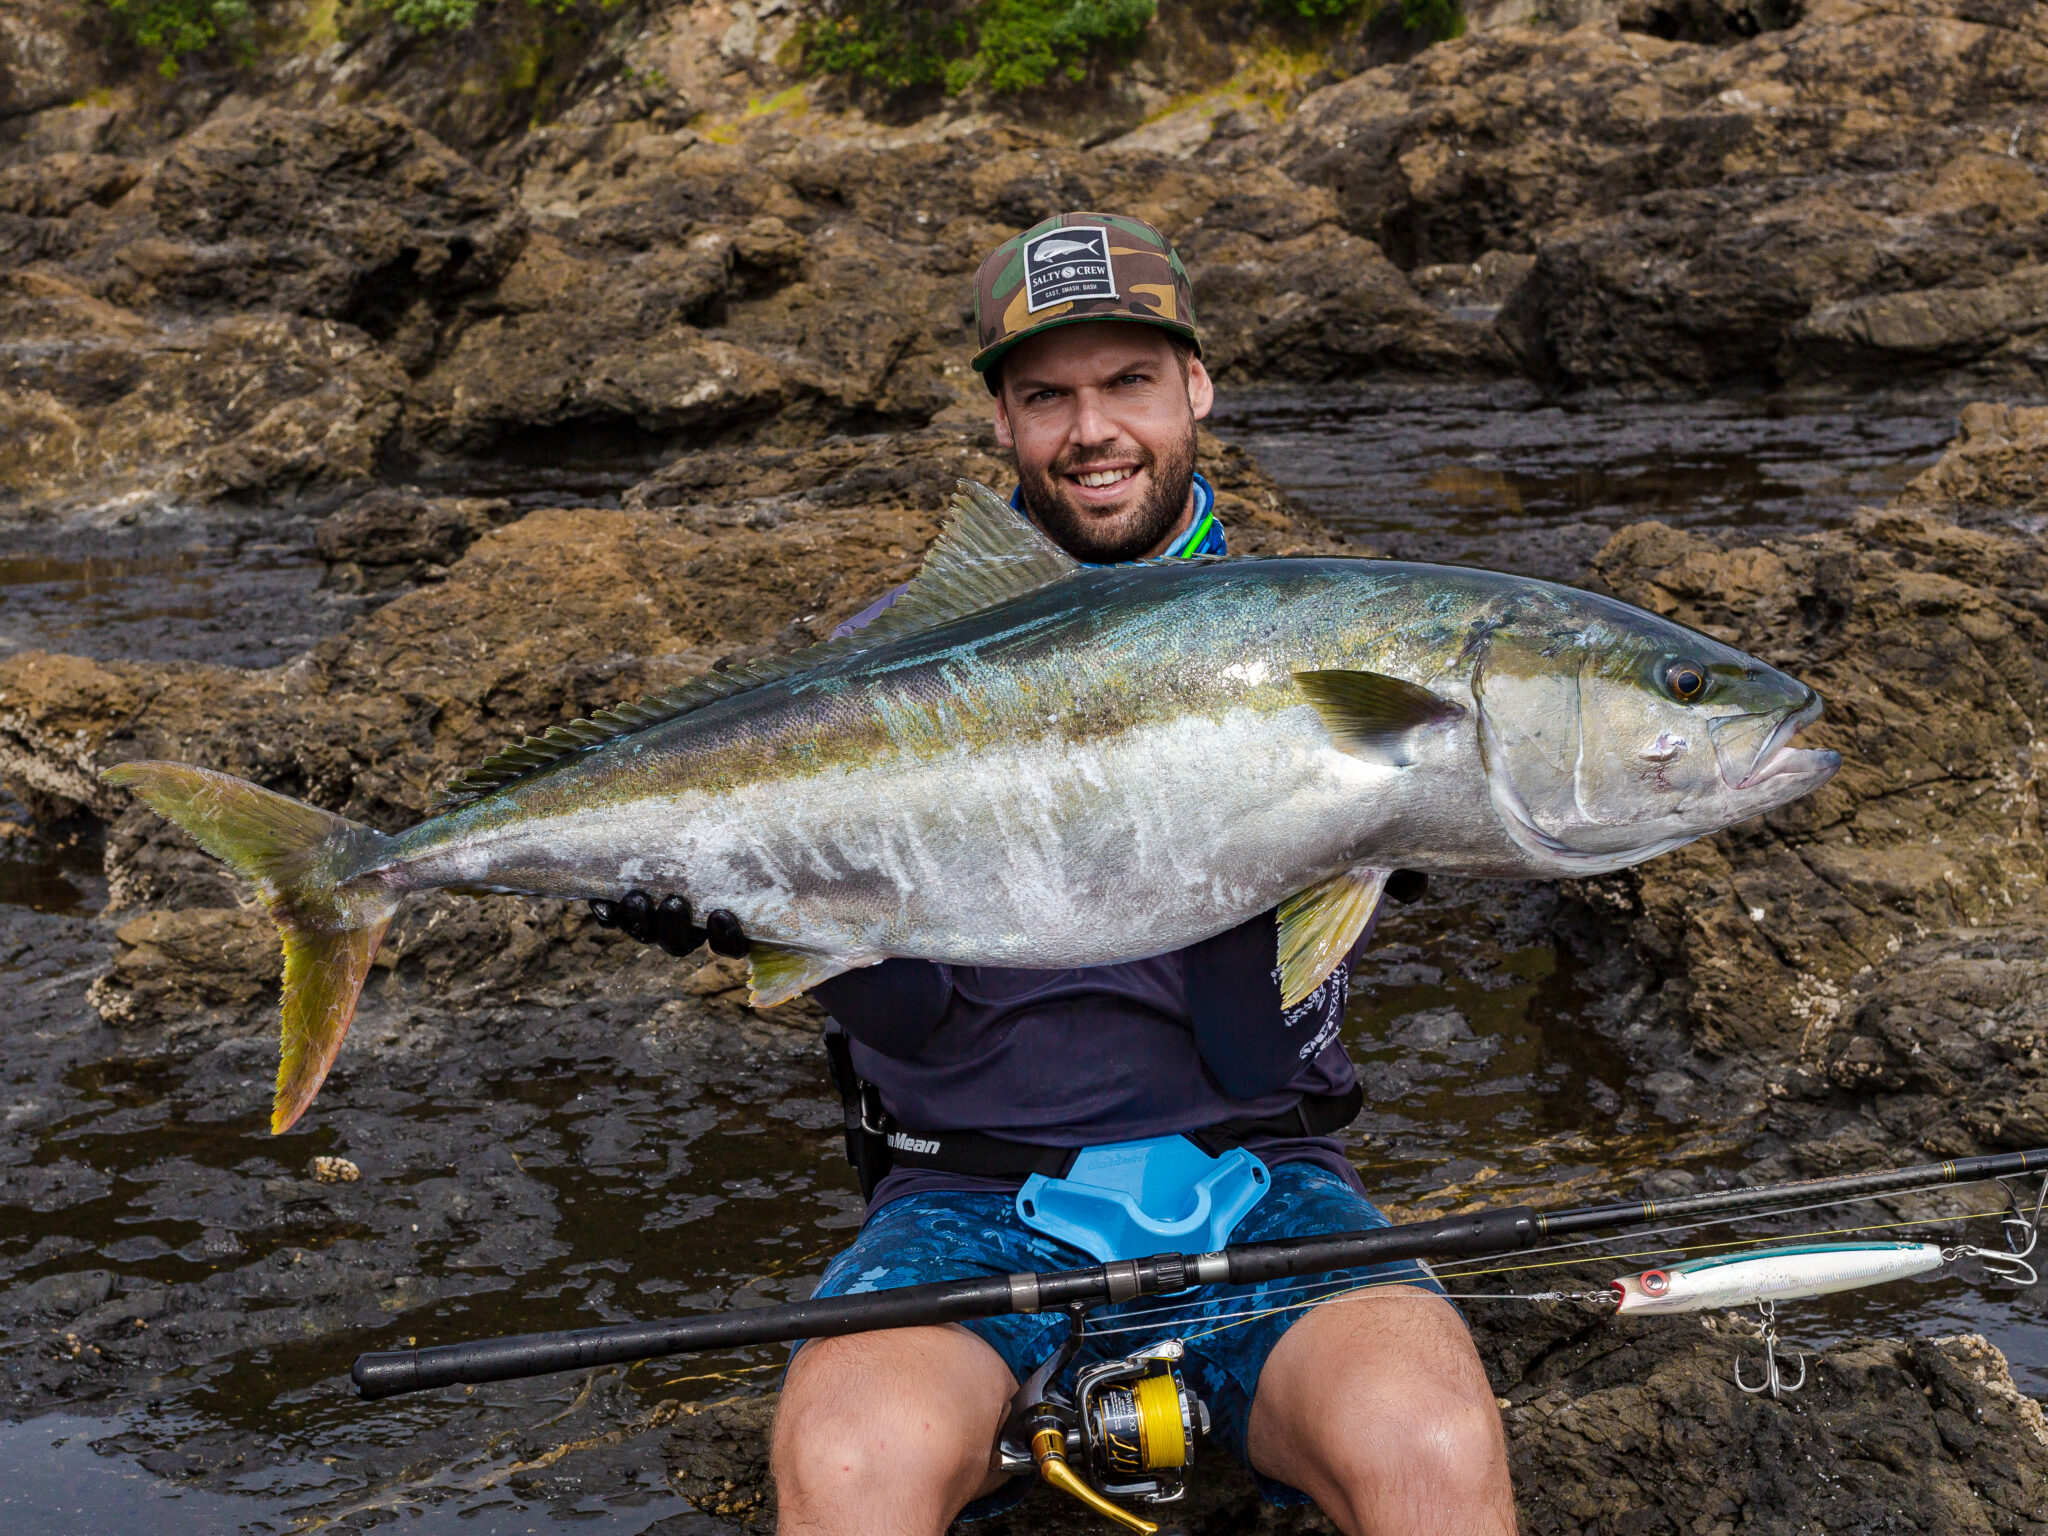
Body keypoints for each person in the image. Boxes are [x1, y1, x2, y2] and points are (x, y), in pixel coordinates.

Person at [592, 213, 1517, 1536]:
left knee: (1430, 1441)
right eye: (1049, 398)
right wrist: (727, 901)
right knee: (854, 1467)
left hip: (1263, 1183)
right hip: (960, 1200)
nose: (1094, 430)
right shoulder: (886, 661)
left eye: (1129, 383)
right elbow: (893, 999)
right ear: (1004, 424)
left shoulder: (1332, 633)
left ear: (1195, 387)